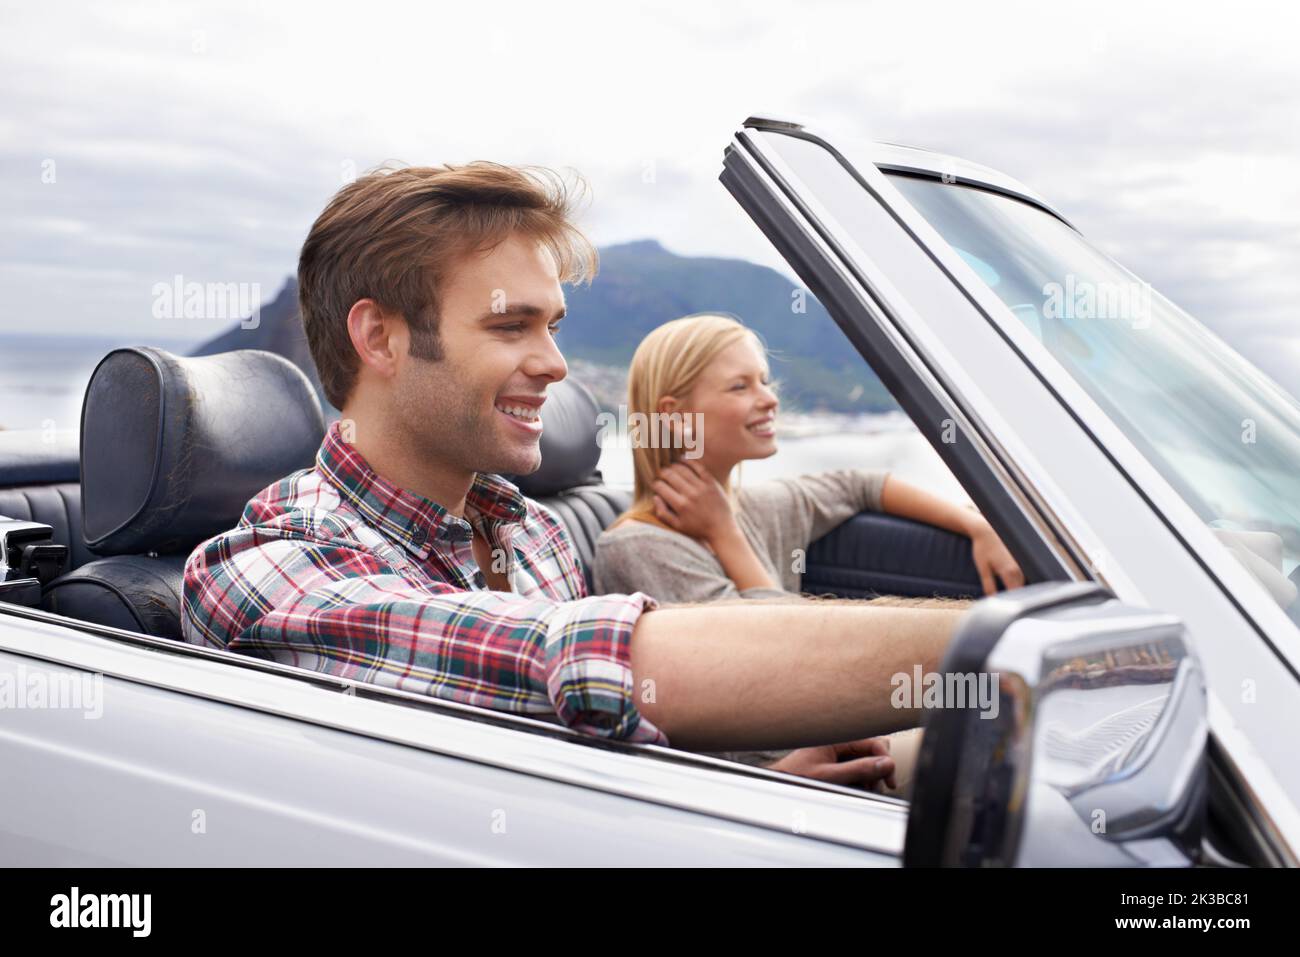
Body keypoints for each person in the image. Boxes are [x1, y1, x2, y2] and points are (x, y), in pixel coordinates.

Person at [180, 162, 977, 791]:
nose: (556, 364)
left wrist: (764, 776)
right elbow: (567, 659)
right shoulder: (266, 566)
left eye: (553, 326)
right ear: (381, 339)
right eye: (509, 325)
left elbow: (600, 742)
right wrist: (1000, 647)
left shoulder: (534, 528)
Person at [594, 313, 1025, 604]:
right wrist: (725, 534)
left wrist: (978, 525)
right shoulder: (640, 548)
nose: (770, 399)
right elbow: (788, 649)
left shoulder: (755, 508)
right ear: (676, 416)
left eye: (764, 380)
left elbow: (860, 485)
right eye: (740, 387)